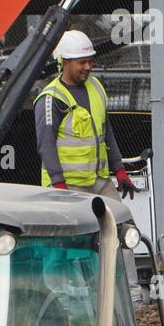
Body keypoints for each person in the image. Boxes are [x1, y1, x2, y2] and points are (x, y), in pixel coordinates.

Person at [35, 30, 136, 200]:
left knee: (122, 222)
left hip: (99, 181)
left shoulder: (95, 86)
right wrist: (59, 185)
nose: (88, 67)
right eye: (82, 62)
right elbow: (46, 145)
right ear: (65, 62)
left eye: (90, 61)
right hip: (68, 185)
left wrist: (119, 171)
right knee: (86, 226)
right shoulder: (52, 98)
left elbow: (107, 134)